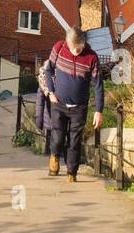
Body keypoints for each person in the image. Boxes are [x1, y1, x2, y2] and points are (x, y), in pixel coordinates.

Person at [37, 28, 104, 183]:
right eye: (73, 48)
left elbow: (98, 85)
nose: (76, 52)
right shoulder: (59, 48)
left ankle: (71, 173)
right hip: (58, 103)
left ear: (84, 44)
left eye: (79, 49)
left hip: (79, 107)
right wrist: (51, 92)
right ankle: (54, 157)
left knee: (74, 140)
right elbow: (48, 71)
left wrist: (98, 110)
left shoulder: (91, 57)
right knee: (58, 136)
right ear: (68, 42)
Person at [34, 55, 68, 174]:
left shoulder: (65, 72)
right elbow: (40, 101)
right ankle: (55, 157)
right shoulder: (45, 78)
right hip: (52, 111)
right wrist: (39, 119)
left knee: (59, 132)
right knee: (56, 133)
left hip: (63, 109)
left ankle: (57, 156)